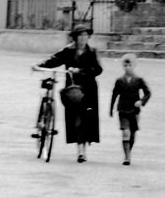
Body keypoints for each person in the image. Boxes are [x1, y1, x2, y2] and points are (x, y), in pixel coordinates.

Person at [32, 24, 102, 162]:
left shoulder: (92, 52)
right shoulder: (68, 50)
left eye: (85, 35)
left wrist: (81, 71)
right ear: (75, 37)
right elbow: (54, 60)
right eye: (80, 35)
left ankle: (82, 151)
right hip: (72, 89)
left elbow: (98, 69)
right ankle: (80, 149)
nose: (83, 38)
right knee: (75, 119)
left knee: (85, 118)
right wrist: (39, 65)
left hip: (88, 90)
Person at [109, 53, 151, 166]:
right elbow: (114, 94)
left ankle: (128, 151)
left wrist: (141, 101)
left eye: (130, 65)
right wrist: (111, 108)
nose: (128, 67)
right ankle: (127, 157)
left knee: (132, 133)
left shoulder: (139, 80)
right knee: (125, 132)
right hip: (122, 109)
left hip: (134, 110)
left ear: (134, 66)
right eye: (125, 65)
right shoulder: (119, 80)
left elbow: (148, 93)